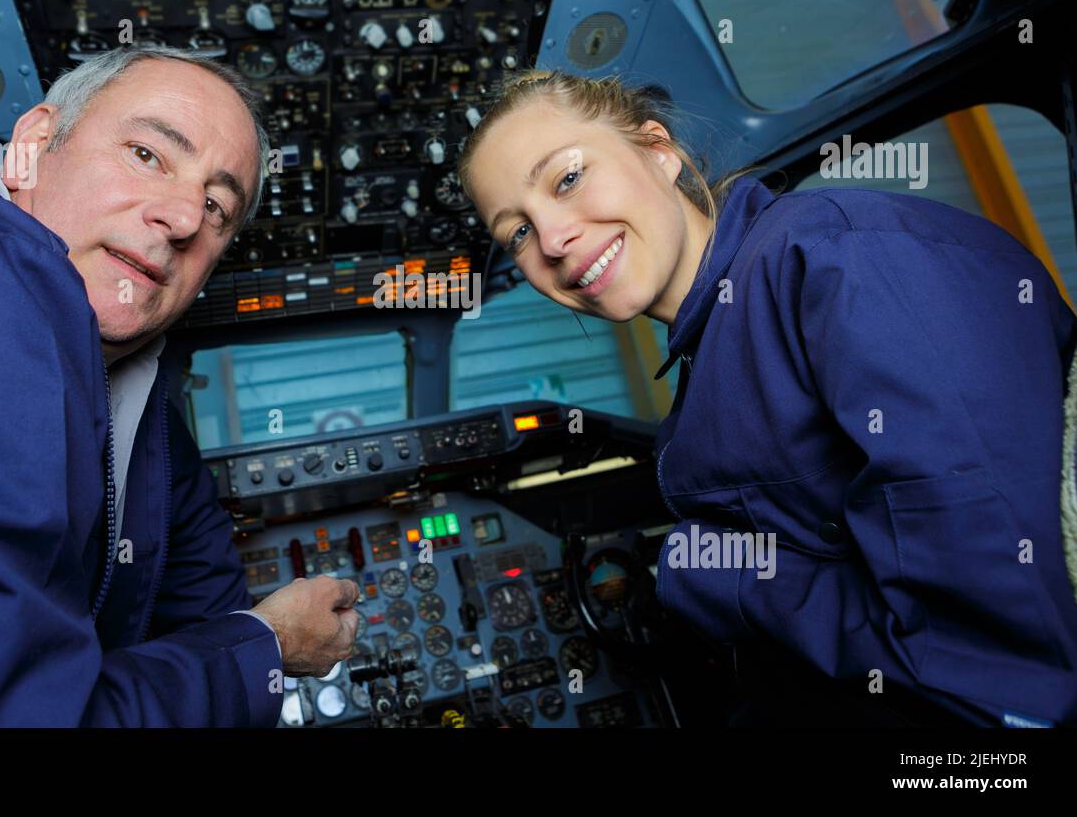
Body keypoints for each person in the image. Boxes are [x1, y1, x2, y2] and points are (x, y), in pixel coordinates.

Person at [457, 69, 1077, 726]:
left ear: (658, 150)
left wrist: (713, 578)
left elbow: (999, 670)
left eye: (568, 179)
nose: (552, 241)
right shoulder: (713, 352)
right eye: (517, 234)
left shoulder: (834, 261)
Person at [0, 45, 358, 726]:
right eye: (147, 154)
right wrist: (271, 646)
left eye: (217, 206)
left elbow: (206, 598)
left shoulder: (140, 412)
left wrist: (247, 639)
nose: (183, 217)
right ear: (33, 143)